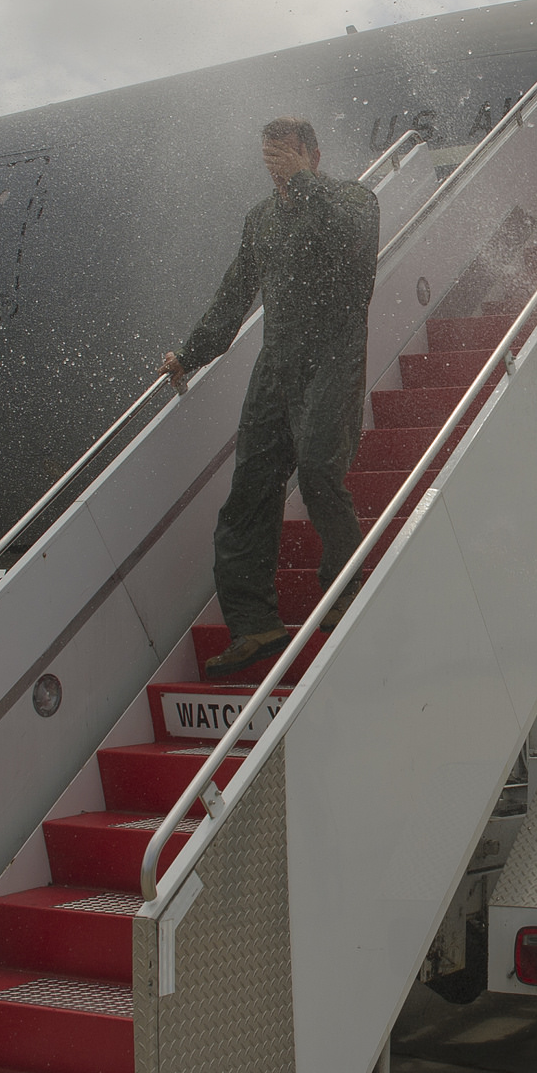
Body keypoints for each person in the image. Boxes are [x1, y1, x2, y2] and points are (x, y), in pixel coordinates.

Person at [161, 117, 381, 677]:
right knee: (247, 494)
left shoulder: (352, 199)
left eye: (284, 156)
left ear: (312, 154)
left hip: (333, 357)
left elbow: (351, 245)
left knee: (317, 474)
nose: (274, 168)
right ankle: (254, 625)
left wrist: (304, 182)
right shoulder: (260, 220)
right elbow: (235, 292)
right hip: (276, 366)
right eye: (268, 157)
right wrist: (191, 354)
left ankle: (344, 589)